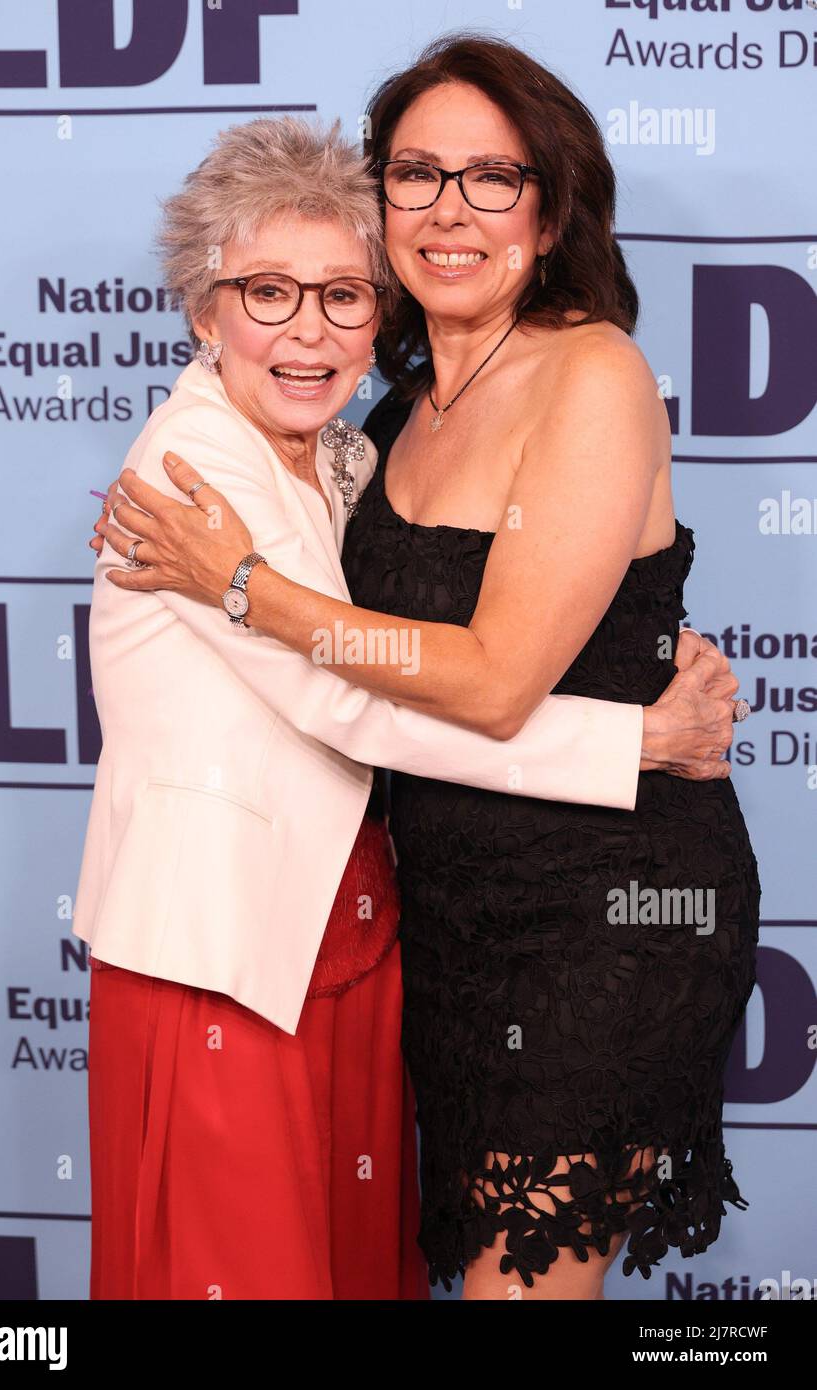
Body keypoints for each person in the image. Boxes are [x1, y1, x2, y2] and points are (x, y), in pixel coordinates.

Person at [94, 38, 758, 1303]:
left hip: (600, 913)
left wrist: (241, 584)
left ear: (550, 210)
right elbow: (354, 663)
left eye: (491, 176)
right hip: (436, 926)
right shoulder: (381, 419)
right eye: (415, 174)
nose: (448, 210)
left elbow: (490, 676)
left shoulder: (590, 374)